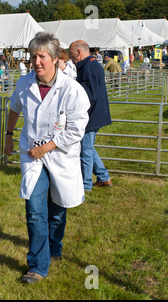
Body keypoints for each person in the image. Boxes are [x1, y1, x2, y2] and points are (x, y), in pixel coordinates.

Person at [4, 32, 90, 284]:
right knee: (34, 209)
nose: (37, 62)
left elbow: (76, 130)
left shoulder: (72, 89)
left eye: (42, 56)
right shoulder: (24, 84)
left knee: (57, 208)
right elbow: (13, 108)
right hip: (33, 157)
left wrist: (47, 147)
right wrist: (9, 136)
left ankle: (54, 247)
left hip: (61, 156)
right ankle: (38, 266)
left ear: (54, 58)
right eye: (33, 57)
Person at [69, 40, 112, 191]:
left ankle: (86, 184)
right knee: (88, 147)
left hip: (90, 116)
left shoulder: (89, 67)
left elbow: (89, 95)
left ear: (79, 53)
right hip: (95, 113)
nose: (71, 58)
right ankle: (103, 177)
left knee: (85, 151)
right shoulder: (92, 64)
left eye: (72, 55)